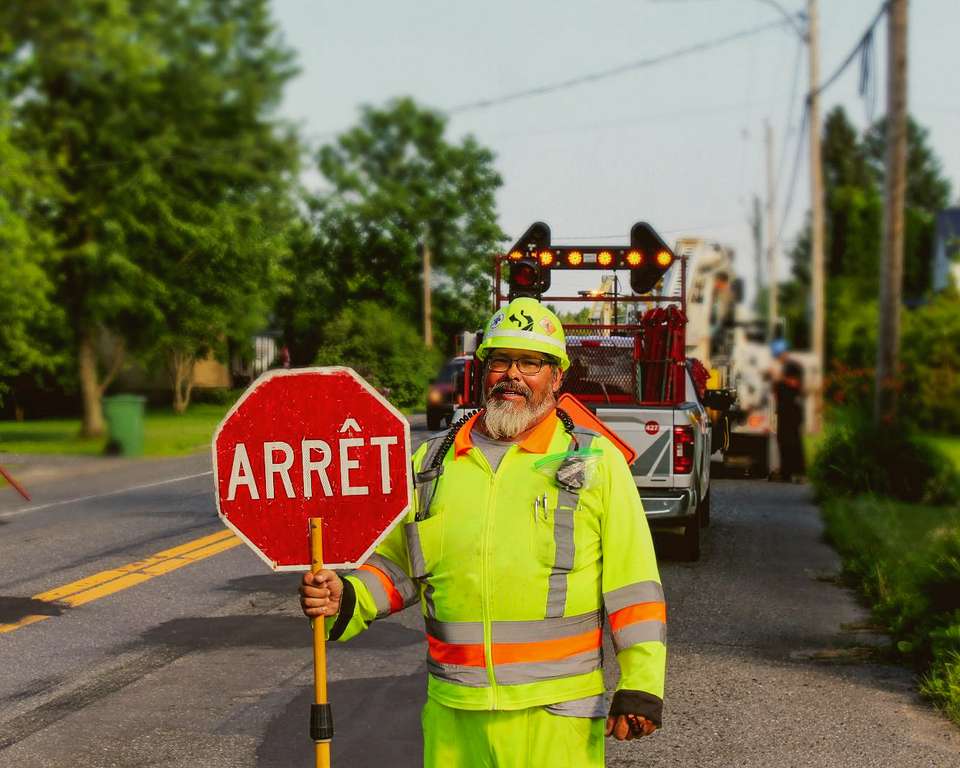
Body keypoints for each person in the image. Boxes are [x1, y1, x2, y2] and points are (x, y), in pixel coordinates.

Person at [299, 297, 666, 767]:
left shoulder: (595, 463)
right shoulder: (431, 464)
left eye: (531, 363)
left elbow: (633, 584)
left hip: (556, 715)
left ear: (557, 378)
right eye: (501, 360)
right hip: (457, 713)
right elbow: (398, 564)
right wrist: (345, 596)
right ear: (482, 371)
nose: (513, 375)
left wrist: (640, 684)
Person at [770, 338, 806, 482]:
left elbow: (796, 383)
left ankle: (799, 472)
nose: (779, 357)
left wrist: (780, 378)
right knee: (782, 441)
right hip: (783, 410)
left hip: (793, 410)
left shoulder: (793, 366)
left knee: (794, 441)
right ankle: (786, 472)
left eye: (780, 354)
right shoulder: (782, 367)